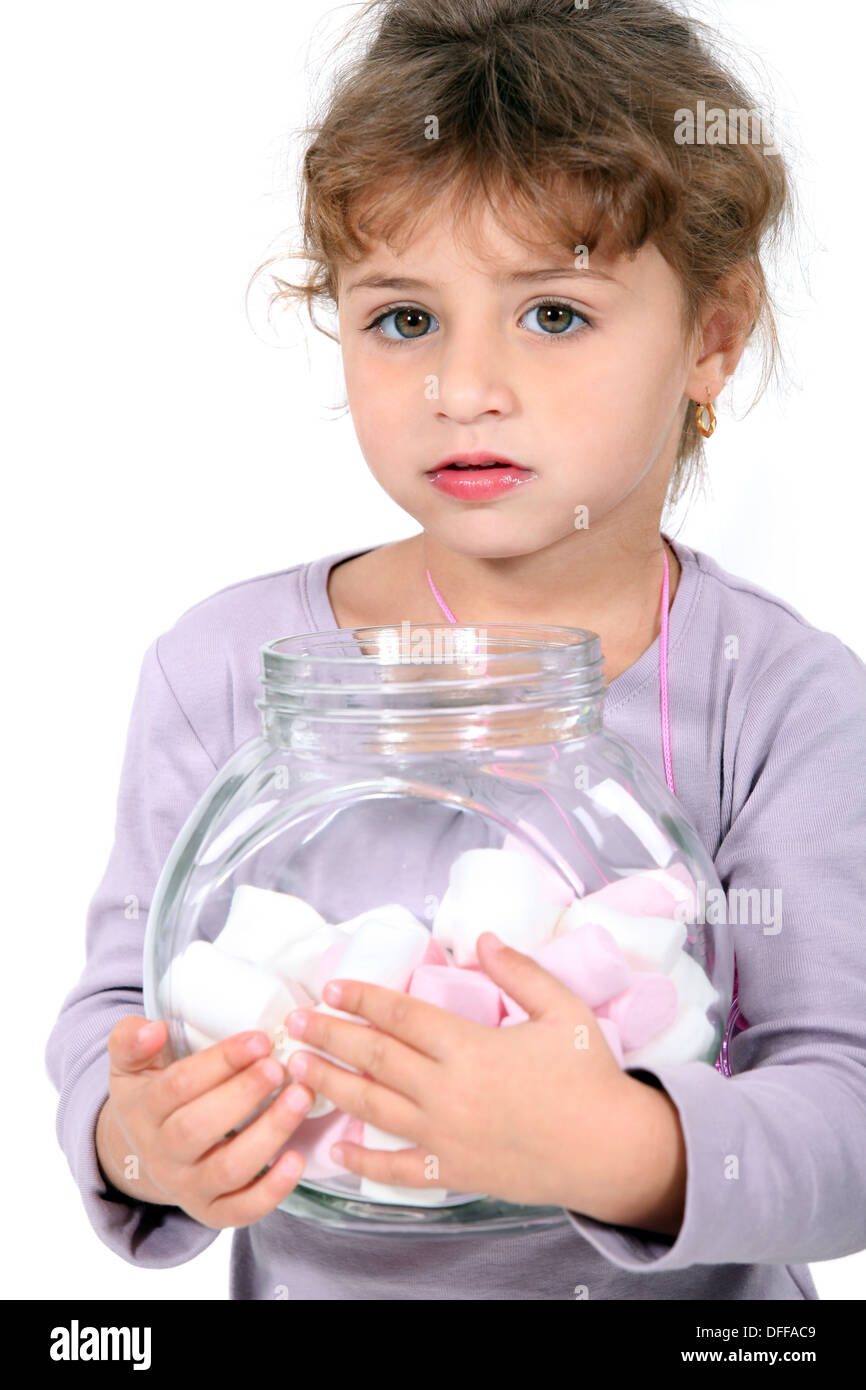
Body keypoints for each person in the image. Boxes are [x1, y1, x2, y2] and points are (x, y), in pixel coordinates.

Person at [45, 0, 866, 1299]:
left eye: (554, 315)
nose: (462, 388)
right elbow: (118, 1008)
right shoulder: (226, 666)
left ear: (711, 336)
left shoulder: (778, 699)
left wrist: (611, 1144)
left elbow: (846, 1112)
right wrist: (134, 1137)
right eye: (405, 320)